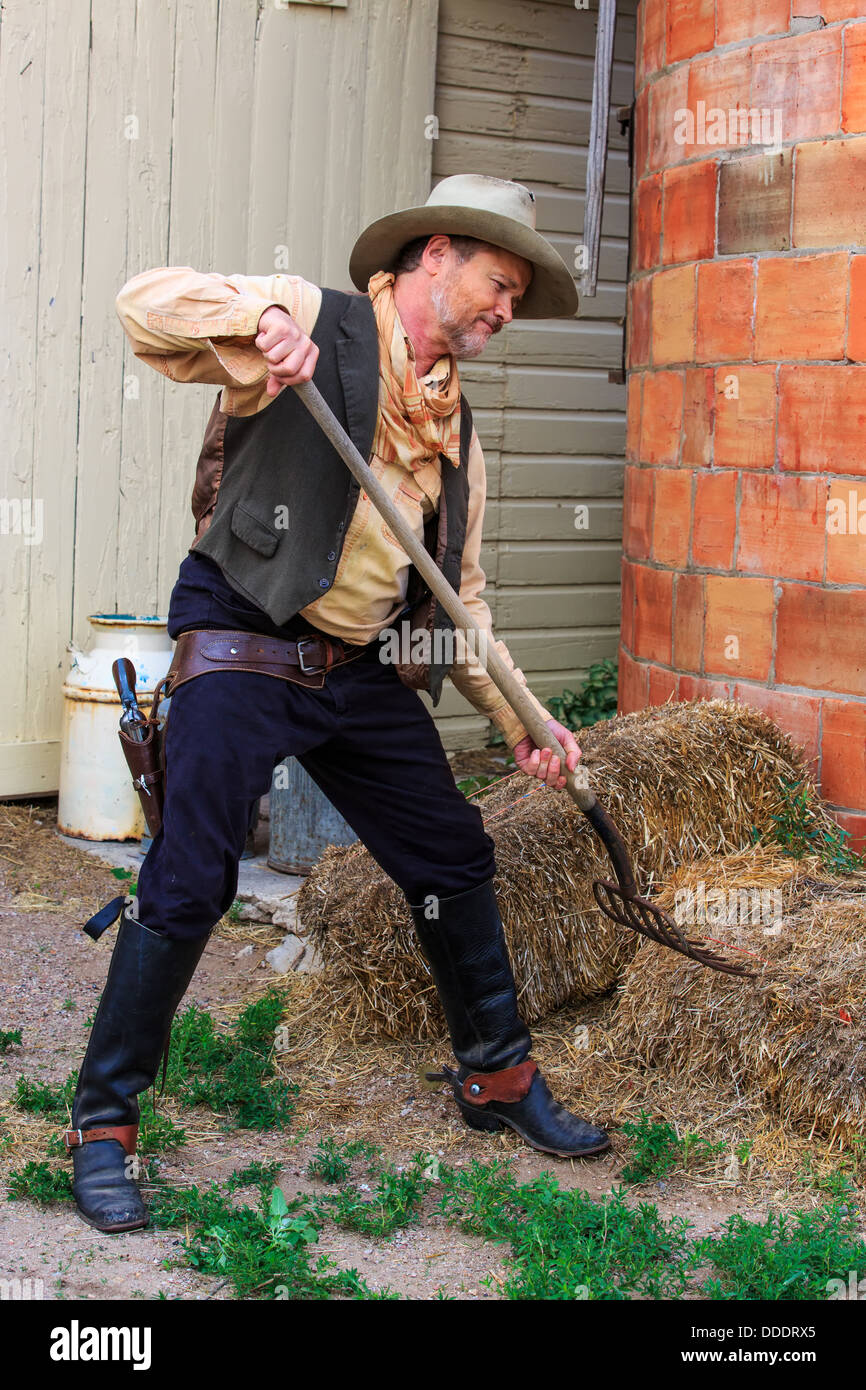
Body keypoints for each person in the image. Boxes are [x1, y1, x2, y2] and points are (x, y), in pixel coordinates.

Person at [63, 175, 610, 1235]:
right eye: (500, 286)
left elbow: (460, 599)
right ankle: (103, 1122)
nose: (505, 312)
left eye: (515, 300)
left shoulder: (459, 436)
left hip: (359, 666)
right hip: (246, 633)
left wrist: (524, 724)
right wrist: (253, 320)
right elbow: (143, 304)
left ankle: (495, 1077)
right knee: (192, 872)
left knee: (452, 852)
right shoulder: (313, 321)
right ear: (437, 255)